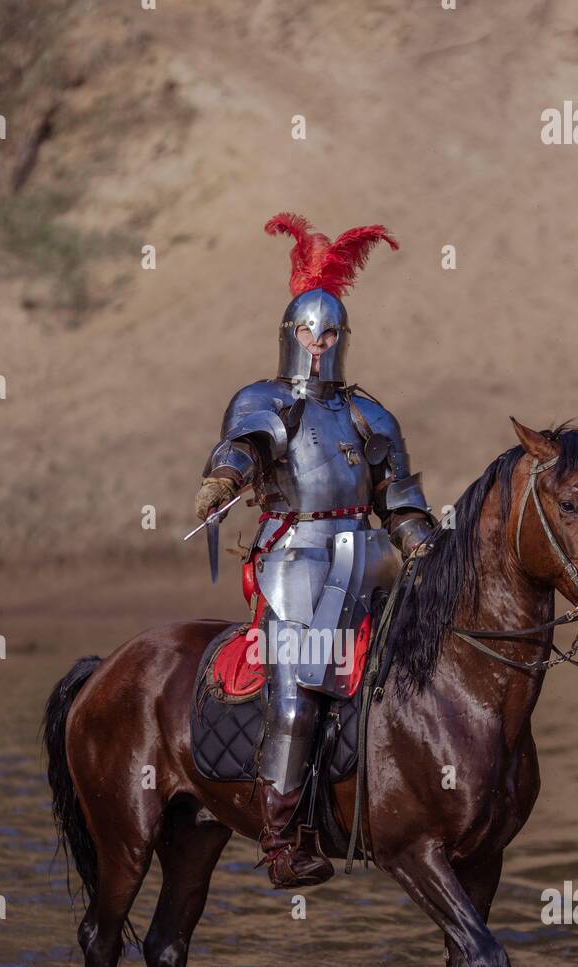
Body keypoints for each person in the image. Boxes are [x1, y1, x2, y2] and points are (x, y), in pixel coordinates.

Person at [194, 213, 435, 888]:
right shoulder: (266, 400)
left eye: (329, 333)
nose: (319, 344)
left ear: (342, 339)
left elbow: (402, 499)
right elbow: (247, 446)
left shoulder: (368, 414)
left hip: (369, 555)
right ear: (289, 335)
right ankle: (282, 843)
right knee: (298, 697)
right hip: (294, 560)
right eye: (308, 331)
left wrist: (425, 545)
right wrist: (224, 479)